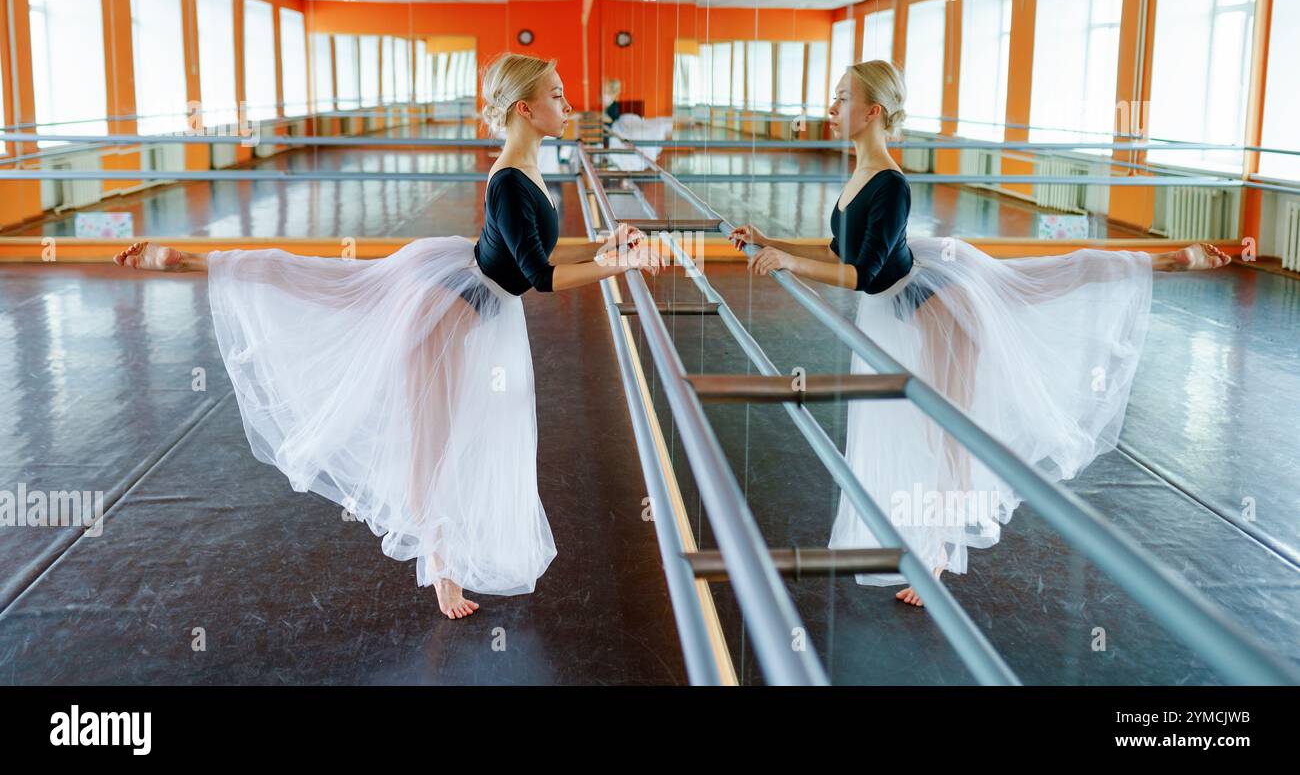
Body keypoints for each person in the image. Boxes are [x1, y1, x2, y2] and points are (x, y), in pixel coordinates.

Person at [112, 52, 663, 619]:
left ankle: (193, 264)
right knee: (428, 439)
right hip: (444, 316)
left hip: (468, 288)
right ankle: (442, 573)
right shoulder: (509, 182)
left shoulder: (526, 169)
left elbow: (534, 256)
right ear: (525, 108)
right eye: (556, 94)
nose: (568, 105)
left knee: (332, 285)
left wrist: (606, 251)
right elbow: (539, 279)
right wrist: (617, 265)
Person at [729, 59, 1231, 607]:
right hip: (901, 305)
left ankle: (940, 554)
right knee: (945, 406)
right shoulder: (857, 175)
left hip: (942, 310)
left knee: (950, 425)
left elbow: (862, 275)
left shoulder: (891, 186)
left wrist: (787, 264)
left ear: (872, 111)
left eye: (842, 97)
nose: (830, 108)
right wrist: (771, 240)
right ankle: (1167, 261)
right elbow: (837, 250)